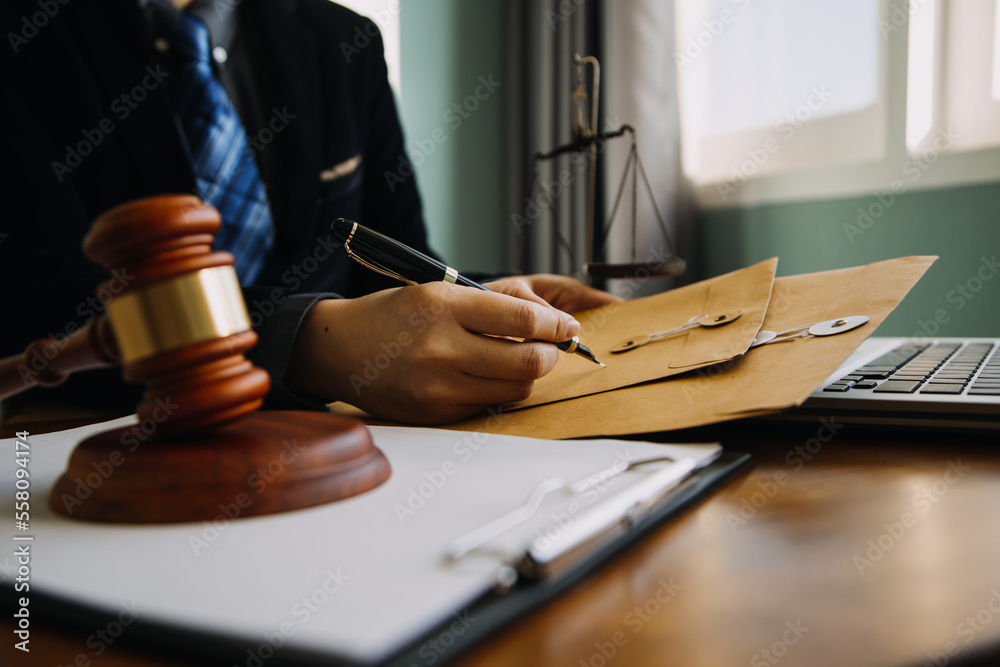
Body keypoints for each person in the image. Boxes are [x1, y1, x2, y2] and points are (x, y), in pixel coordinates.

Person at [1, 0, 617, 425]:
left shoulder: (345, 43)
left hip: (348, 442)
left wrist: (486, 299)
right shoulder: (23, 36)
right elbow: (46, 299)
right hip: (101, 440)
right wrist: (309, 345)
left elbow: (391, 262)